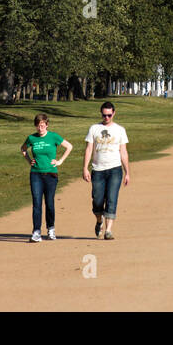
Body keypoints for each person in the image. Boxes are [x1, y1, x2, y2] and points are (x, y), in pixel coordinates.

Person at [83, 101, 130, 240]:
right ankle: (99, 221)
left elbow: (123, 152)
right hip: (98, 170)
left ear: (114, 113)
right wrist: (85, 168)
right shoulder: (94, 129)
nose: (107, 118)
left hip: (115, 169)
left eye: (109, 115)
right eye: (104, 115)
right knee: (97, 200)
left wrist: (127, 172)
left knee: (112, 198)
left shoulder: (120, 130)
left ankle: (108, 230)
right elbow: (89, 149)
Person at [21, 113, 72, 242]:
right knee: (36, 202)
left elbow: (69, 146)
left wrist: (59, 161)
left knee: (49, 202)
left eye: (42, 125)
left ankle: (51, 229)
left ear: (47, 125)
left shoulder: (53, 136)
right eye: (38, 126)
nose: (40, 128)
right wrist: (29, 160)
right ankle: (36, 232)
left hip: (50, 174)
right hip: (36, 174)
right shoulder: (32, 138)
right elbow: (23, 149)